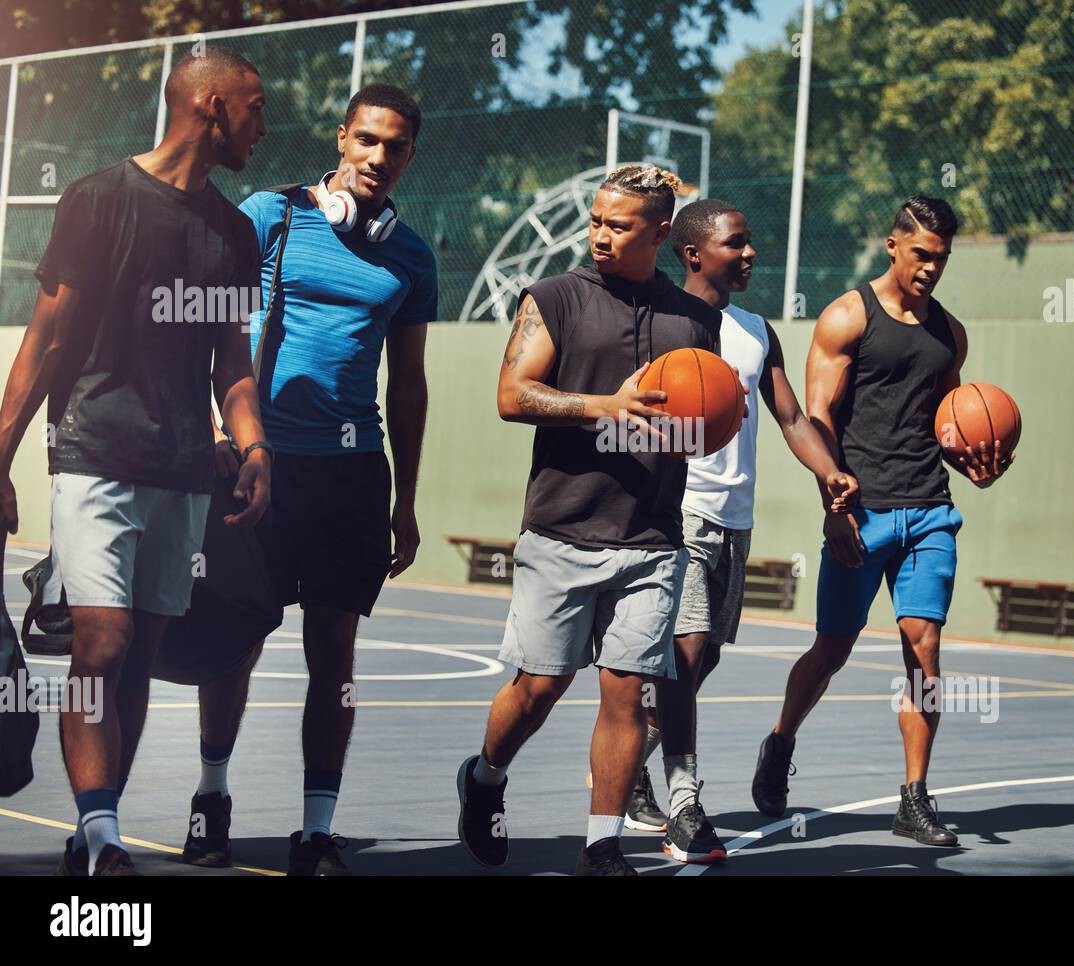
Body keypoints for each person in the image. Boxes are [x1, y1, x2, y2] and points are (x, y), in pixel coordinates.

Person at [0, 47, 272, 876]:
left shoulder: (231, 230)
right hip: (93, 452)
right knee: (103, 643)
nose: (265, 125)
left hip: (186, 469)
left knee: (141, 654)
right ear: (213, 106)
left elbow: (230, 357)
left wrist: (254, 442)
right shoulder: (98, 200)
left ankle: (96, 837)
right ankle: (103, 834)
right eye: (255, 108)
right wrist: (0, 453)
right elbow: (44, 343)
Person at [186, 83, 436, 876]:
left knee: (335, 653)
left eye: (395, 146)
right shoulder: (271, 215)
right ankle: (212, 797)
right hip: (260, 465)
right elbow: (211, 331)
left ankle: (317, 832)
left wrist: (408, 499)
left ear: (409, 156)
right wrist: (222, 435)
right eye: (367, 140)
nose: (378, 158)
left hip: (353, 476)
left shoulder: (411, 255)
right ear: (340, 137)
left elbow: (410, 385)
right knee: (237, 641)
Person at [457, 165, 731, 876]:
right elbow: (512, 395)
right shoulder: (554, 298)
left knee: (629, 695)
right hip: (562, 529)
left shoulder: (698, 319)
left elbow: (705, 417)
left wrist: (699, 429)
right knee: (538, 689)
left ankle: (601, 846)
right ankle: (484, 778)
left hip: (652, 538)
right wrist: (601, 407)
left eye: (619, 224)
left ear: (660, 232)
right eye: (596, 220)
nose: (601, 235)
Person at [751, 196, 1013, 846]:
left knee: (924, 649)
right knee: (832, 649)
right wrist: (832, 508)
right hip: (860, 511)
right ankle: (781, 741)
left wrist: (977, 465)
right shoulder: (847, 316)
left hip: (928, 509)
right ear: (893, 245)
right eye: (921, 254)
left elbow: (947, 420)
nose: (931, 268)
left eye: (942, 259)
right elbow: (818, 418)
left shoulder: (950, 334)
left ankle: (915, 797)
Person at [633, 199, 857, 863]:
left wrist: (831, 475)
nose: (751, 254)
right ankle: (684, 803)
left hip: (736, 519)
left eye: (752, 242)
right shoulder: (658, 318)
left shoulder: (757, 330)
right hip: (679, 510)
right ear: (693, 252)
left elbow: (791, 418)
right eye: (737, 243)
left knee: (704, 660)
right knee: (689, 649)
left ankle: (625, 757)